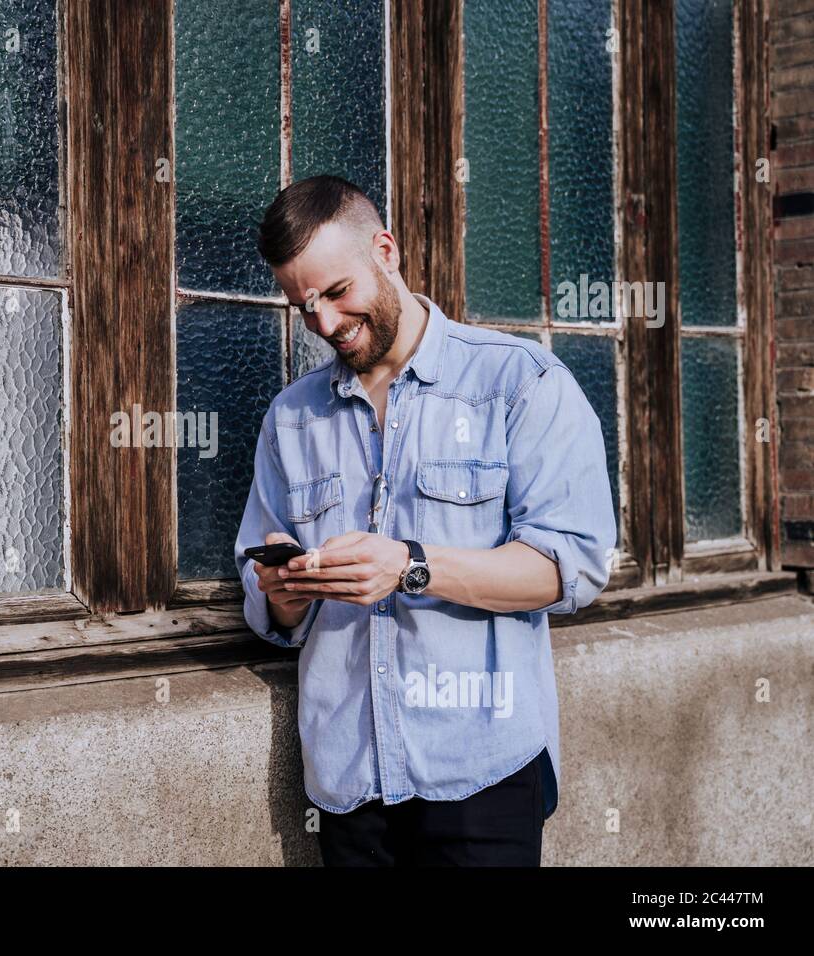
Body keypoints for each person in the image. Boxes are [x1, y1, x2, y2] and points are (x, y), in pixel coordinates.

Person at [234, 175, 617, 866]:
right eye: (303, 306)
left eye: (336, 291)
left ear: (386, 250)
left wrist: (410, 564)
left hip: (482, 774)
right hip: (349, 785)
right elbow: (267, 602)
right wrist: (282, 600)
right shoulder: (291, 419)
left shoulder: (521, 383)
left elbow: (572, 568)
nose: (323, 322)